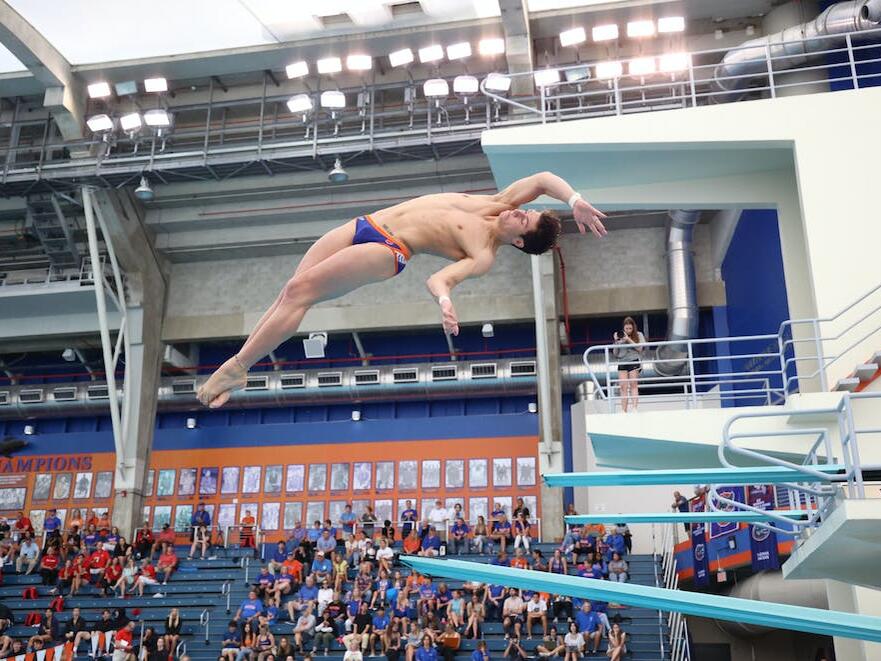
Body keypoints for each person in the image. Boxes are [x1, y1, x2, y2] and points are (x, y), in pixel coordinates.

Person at [196, 172, 606, 408]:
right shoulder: (498, 203)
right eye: (527, 210)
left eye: (525, 221)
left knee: (303, 291)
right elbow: (543, 179)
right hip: (368, 223)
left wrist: (445, 301)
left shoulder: (483, 254)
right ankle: (240, 369)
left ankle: (238, 367)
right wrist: (574, 199)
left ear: (520, 240)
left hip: (388, 250)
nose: (520, 212)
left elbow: (439, 279)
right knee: (289, 291)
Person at [613, 316, 646, 412]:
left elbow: (640, 349)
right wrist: (616, 341)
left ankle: (634, 408)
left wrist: (628, 339)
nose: (628, 330)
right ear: (623, 328)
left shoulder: (639, 335)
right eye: (626, 329)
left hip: (633, 360)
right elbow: (615, 353)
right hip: (622, 362)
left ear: (633, 328)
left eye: (630, 328)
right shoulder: (620, 336)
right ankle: (624, 410)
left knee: (633, 384)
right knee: (623, 386)